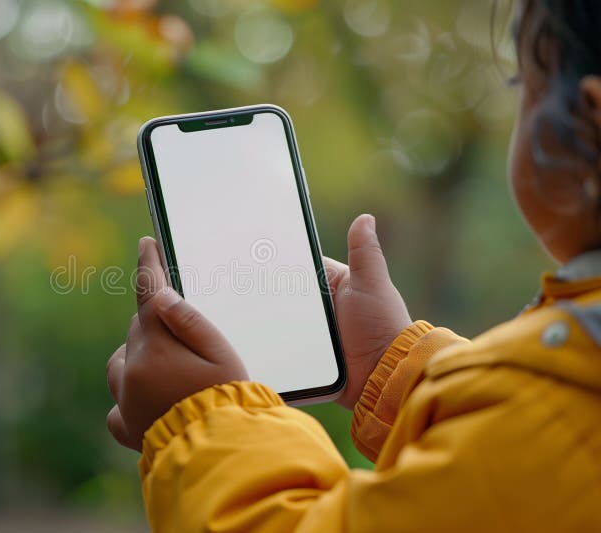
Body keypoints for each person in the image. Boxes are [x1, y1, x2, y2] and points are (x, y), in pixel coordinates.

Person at [105, 1, 601, 530]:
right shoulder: (565, 404)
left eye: (520, 84)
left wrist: (197, 422)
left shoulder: (565, 412)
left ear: (590, 120)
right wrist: (391, 366)